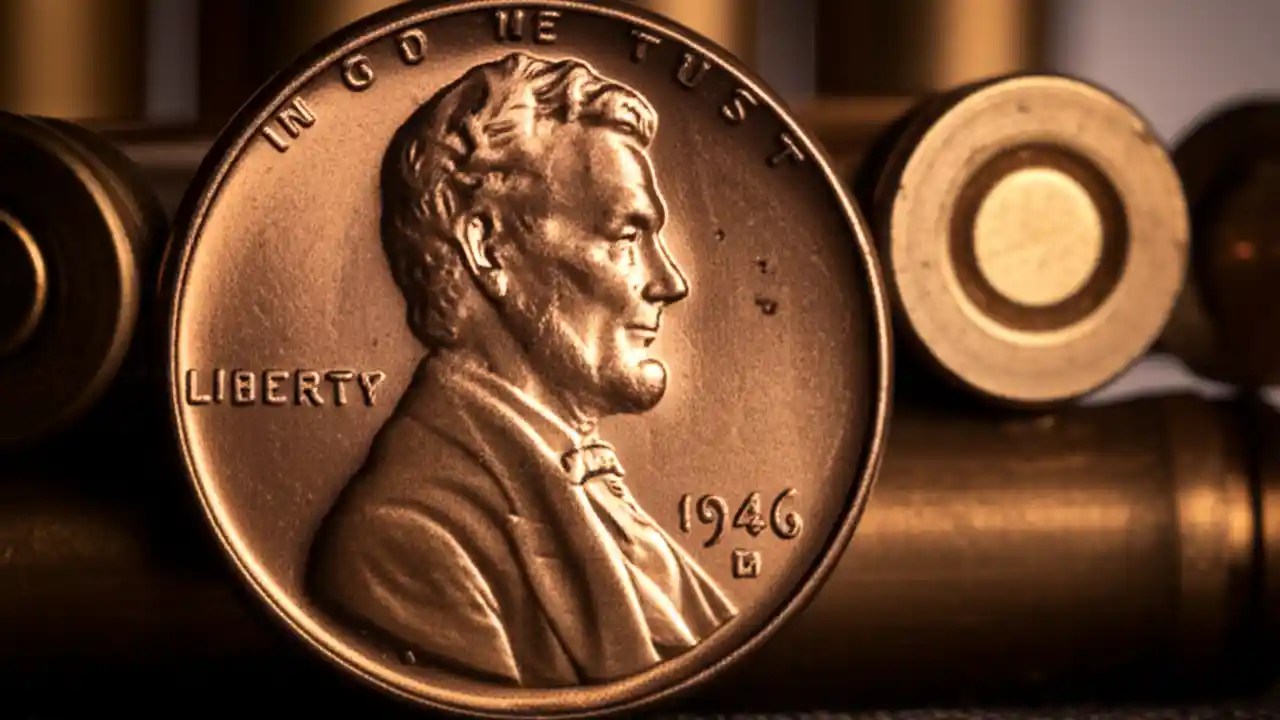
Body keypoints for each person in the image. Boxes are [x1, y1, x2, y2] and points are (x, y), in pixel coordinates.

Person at [305, 52, 737, 688]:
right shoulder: (402, 541)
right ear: (487, 248)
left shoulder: (588, 487)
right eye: (624, 238)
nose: (669, 281)